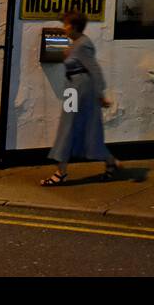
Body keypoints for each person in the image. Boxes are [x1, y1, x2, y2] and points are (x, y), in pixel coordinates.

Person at [41, 10, 121, 185]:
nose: (64, 28)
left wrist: (100, 94)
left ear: (75, 26)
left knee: (68, 127)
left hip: (81, 90)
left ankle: (60, 172)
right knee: (79, 127)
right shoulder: (76, 43)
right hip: (73, 89)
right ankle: (110, 162)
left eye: (67, 25)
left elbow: (95, 70)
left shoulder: (82, 45)